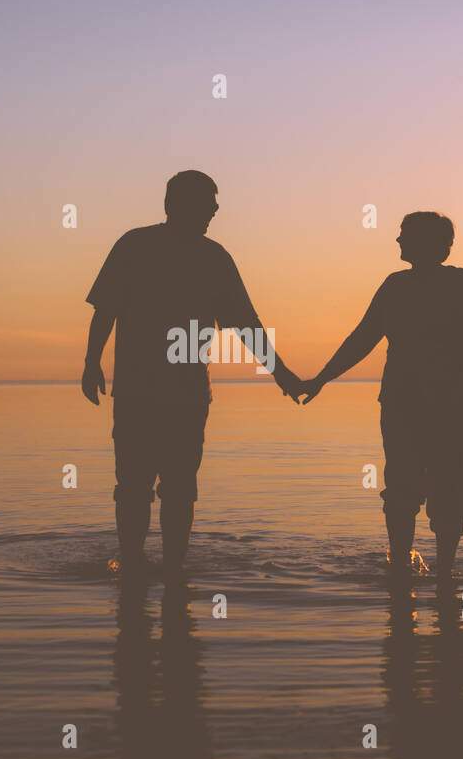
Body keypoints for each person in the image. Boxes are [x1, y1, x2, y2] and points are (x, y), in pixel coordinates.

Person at [82, 170, 300, 572]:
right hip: (139, 393)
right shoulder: (135, 246)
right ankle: (136, 562)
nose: (215, 210)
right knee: (135, 486)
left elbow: (245, 324)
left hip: (184, 394)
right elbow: (106, 309)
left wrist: (280, 373)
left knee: (176, 487)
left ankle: (171, 568)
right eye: (208, 203)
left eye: (214, 204)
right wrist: (91, 361)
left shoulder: (214, 258)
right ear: (175, 205)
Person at [299, 212, 463, 580]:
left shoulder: (462, 283)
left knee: (442, 490)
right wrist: (322, 377)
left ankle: (440, 573)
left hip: (448, 409)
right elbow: (363, 337)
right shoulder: (395, 285)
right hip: (405, 407)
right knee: (404, 489)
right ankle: (404, 566)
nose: (397, 242)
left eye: (404, 236)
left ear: (433, 243)